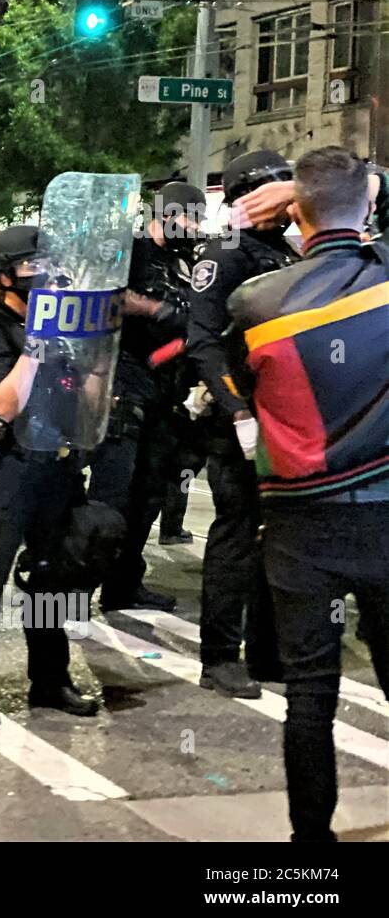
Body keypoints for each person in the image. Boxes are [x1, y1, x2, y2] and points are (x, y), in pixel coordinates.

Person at [226, 146, 389, 842]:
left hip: (298, 527)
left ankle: (311, 847)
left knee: (310, 695)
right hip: (384, 518)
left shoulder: (256, 303)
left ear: (295, 214)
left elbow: (239, 385)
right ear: (372, 206)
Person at [0, 225, 99, 730]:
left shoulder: (64, 327)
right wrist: (37, 344)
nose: (45, 278)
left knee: (53, 579)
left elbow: (88, 400)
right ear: (6, 274)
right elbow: (5, 402)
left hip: (55, 464)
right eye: (34, 268)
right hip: (6, 470)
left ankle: (51, 682)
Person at [187, 149, 298, 699]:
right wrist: (236, 410)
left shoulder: (286, 251)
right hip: (242, 417)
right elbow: (202, 340)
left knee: (275, 534)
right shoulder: (225, 253)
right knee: (235, 533)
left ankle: (267, 649)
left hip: (285, 416)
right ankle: (220, 656)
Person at [86, 182, 205, 612]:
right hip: (121, 387)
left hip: (164, 394)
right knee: (109, 502)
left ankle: (122, 586)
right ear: (166, 214)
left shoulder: (185, 263)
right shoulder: (129, 250)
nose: (195, 226)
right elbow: (100, 296)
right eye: (189, 216)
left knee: (148, 499)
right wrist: (155, 310)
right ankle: (75, 591)